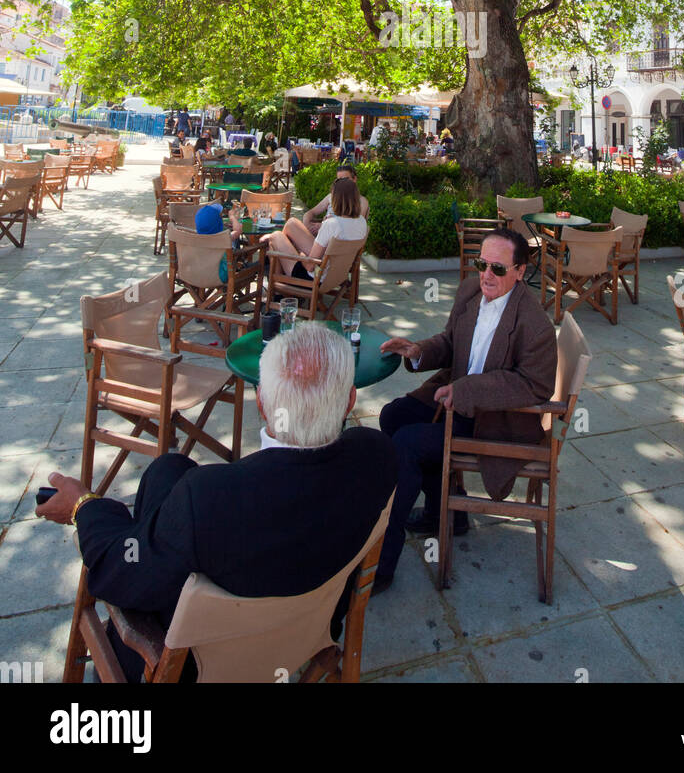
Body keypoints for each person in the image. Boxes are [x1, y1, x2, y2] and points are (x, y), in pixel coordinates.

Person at [37, 324, 398, 682]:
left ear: (263, 403)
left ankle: (149, 544)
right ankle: (153, 539)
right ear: (351, 400)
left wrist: (84, 505)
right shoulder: (378, 455)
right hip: (310, 630)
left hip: (200, 664)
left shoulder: (207, 500)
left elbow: (113, 572)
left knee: (157, 515)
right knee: (169, 467)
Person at [373, 229, 557, 592]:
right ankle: (445, 515)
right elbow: (450, 342)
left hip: (496, 420)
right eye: (481, 264)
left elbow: (533, 386)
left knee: (408, 445)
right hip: (456, 401)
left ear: (520, 271)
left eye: (498, 269)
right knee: (392, 416)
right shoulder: (471, 292)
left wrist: (466, 389)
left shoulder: (534, 325)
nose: (486, 274)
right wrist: (418, 350)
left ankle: (380, 566)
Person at [262, 176, 367, 282]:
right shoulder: (362, 222)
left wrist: (299, 252)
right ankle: (279, 283)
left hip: (315, 277)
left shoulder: (331, 224)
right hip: (336, 274)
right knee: (291, 223)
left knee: (275, 236)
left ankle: (280, 289)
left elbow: (310, 266)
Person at [303, 166, 369, 237]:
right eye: (339, 180)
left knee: (292, 225)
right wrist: (307, 224)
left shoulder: (361, 201)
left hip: (336, 240)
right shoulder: (331, 196)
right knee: (294, 227)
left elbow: (354, 225)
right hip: (321, 236)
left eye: (346, 179)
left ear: (354, 179)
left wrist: (324, 225)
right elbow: (312, 212)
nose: (342, 183)